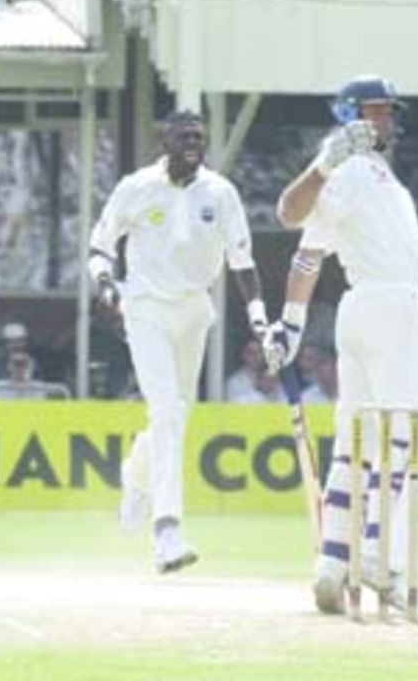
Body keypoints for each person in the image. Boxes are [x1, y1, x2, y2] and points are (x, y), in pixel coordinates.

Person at [263, 75, 418, 614]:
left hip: (360, 311)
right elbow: (288, 214)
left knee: (354, 443)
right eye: (375, 112)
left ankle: (332, 563)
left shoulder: (369, 177)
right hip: (392, 309)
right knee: (409, 434)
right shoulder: (350, 168)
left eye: (390, 112)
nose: (386, 120)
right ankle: (375, 556)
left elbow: (308, 253)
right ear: (348, 115)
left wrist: (291, 323)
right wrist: (323, 163)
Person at [88, 110, 268, 573]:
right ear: (164, 139)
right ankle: (167, 531)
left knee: (175, 416)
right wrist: (105, 282)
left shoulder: (220, 193)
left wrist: (258, 317)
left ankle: (136, 480)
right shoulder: (137, 186)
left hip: (194, 310)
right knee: (165, 410)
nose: (193, 143)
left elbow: (242, 261)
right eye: (184, 136)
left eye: (199, 137)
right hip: (146, 306)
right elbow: (100, 245)